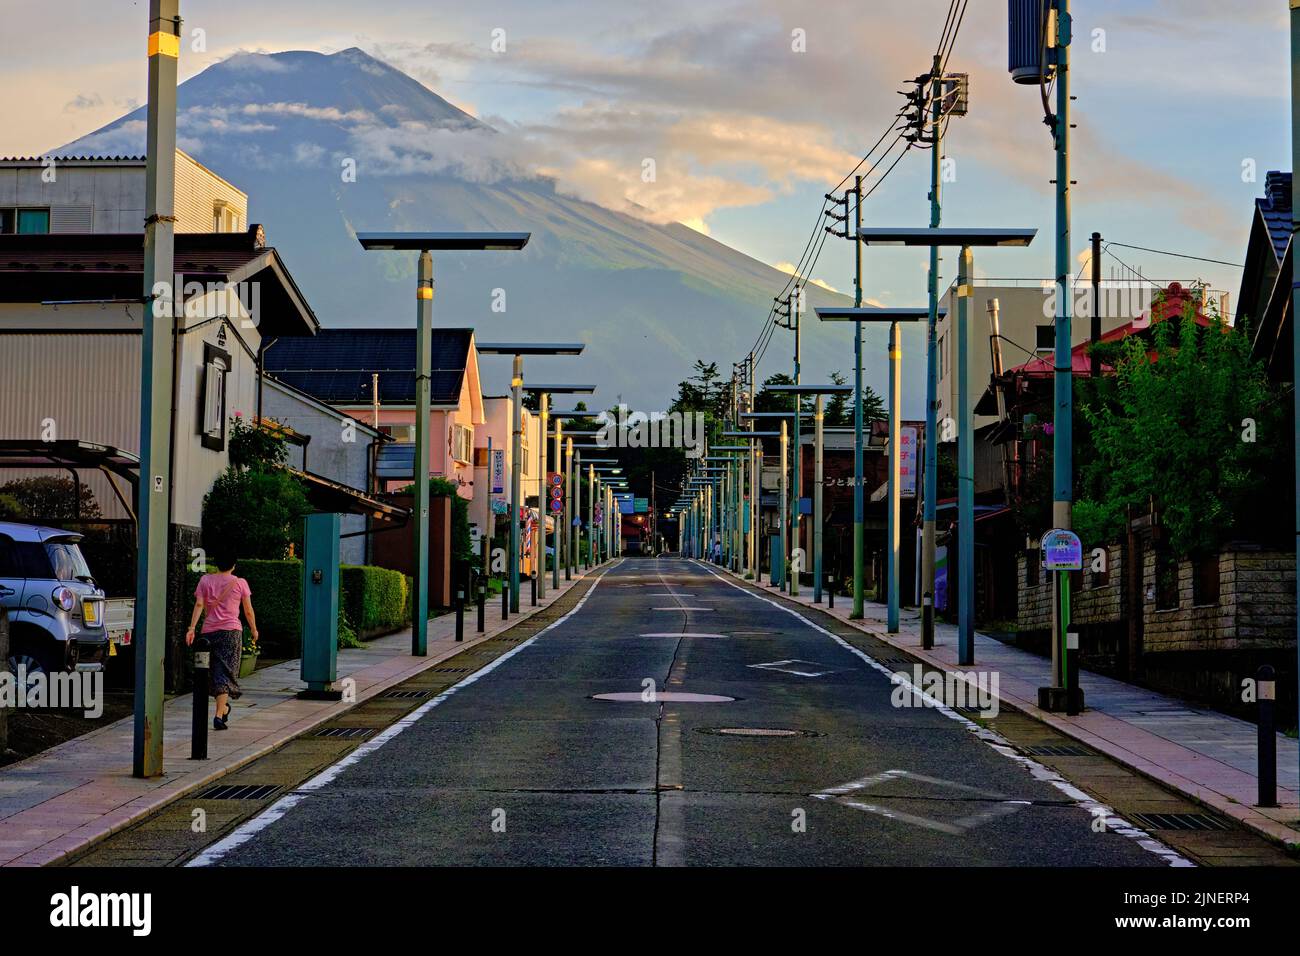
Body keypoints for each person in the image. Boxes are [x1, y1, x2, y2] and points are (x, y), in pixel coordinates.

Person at [185, 546, 257, 730]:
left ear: (216, 563)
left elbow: (200, 604)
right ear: (234, 564)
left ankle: (223, 709)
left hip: (208, 632)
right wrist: (254, 629)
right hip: (231, 633)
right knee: (225, 672)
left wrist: (192, 628)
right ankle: (219, 714)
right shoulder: (240, 583)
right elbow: (248, 611)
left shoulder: (205, 580)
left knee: (213, 672)